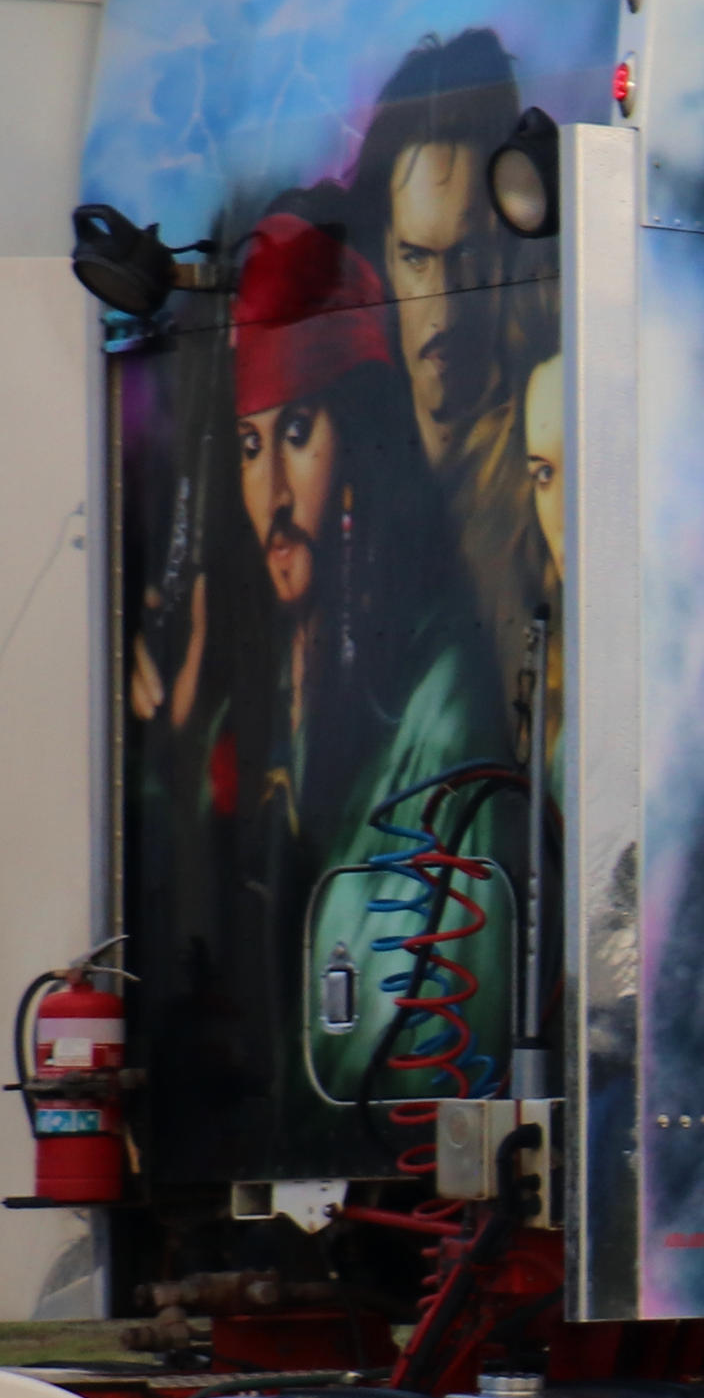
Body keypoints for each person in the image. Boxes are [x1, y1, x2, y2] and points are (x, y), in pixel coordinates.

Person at [134, 207, 513, 1120]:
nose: (269, 496)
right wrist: (176, 735)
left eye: (298, 431)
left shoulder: (441, 693)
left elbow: (439, 1024)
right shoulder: (244, 697)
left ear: (362, 450)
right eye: (252, 445)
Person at [347, 29, 555, 662]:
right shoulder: (345, 454)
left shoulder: (546, 479)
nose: (444, 301)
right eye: (417, 257)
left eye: (468, 253)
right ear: (384, 254)